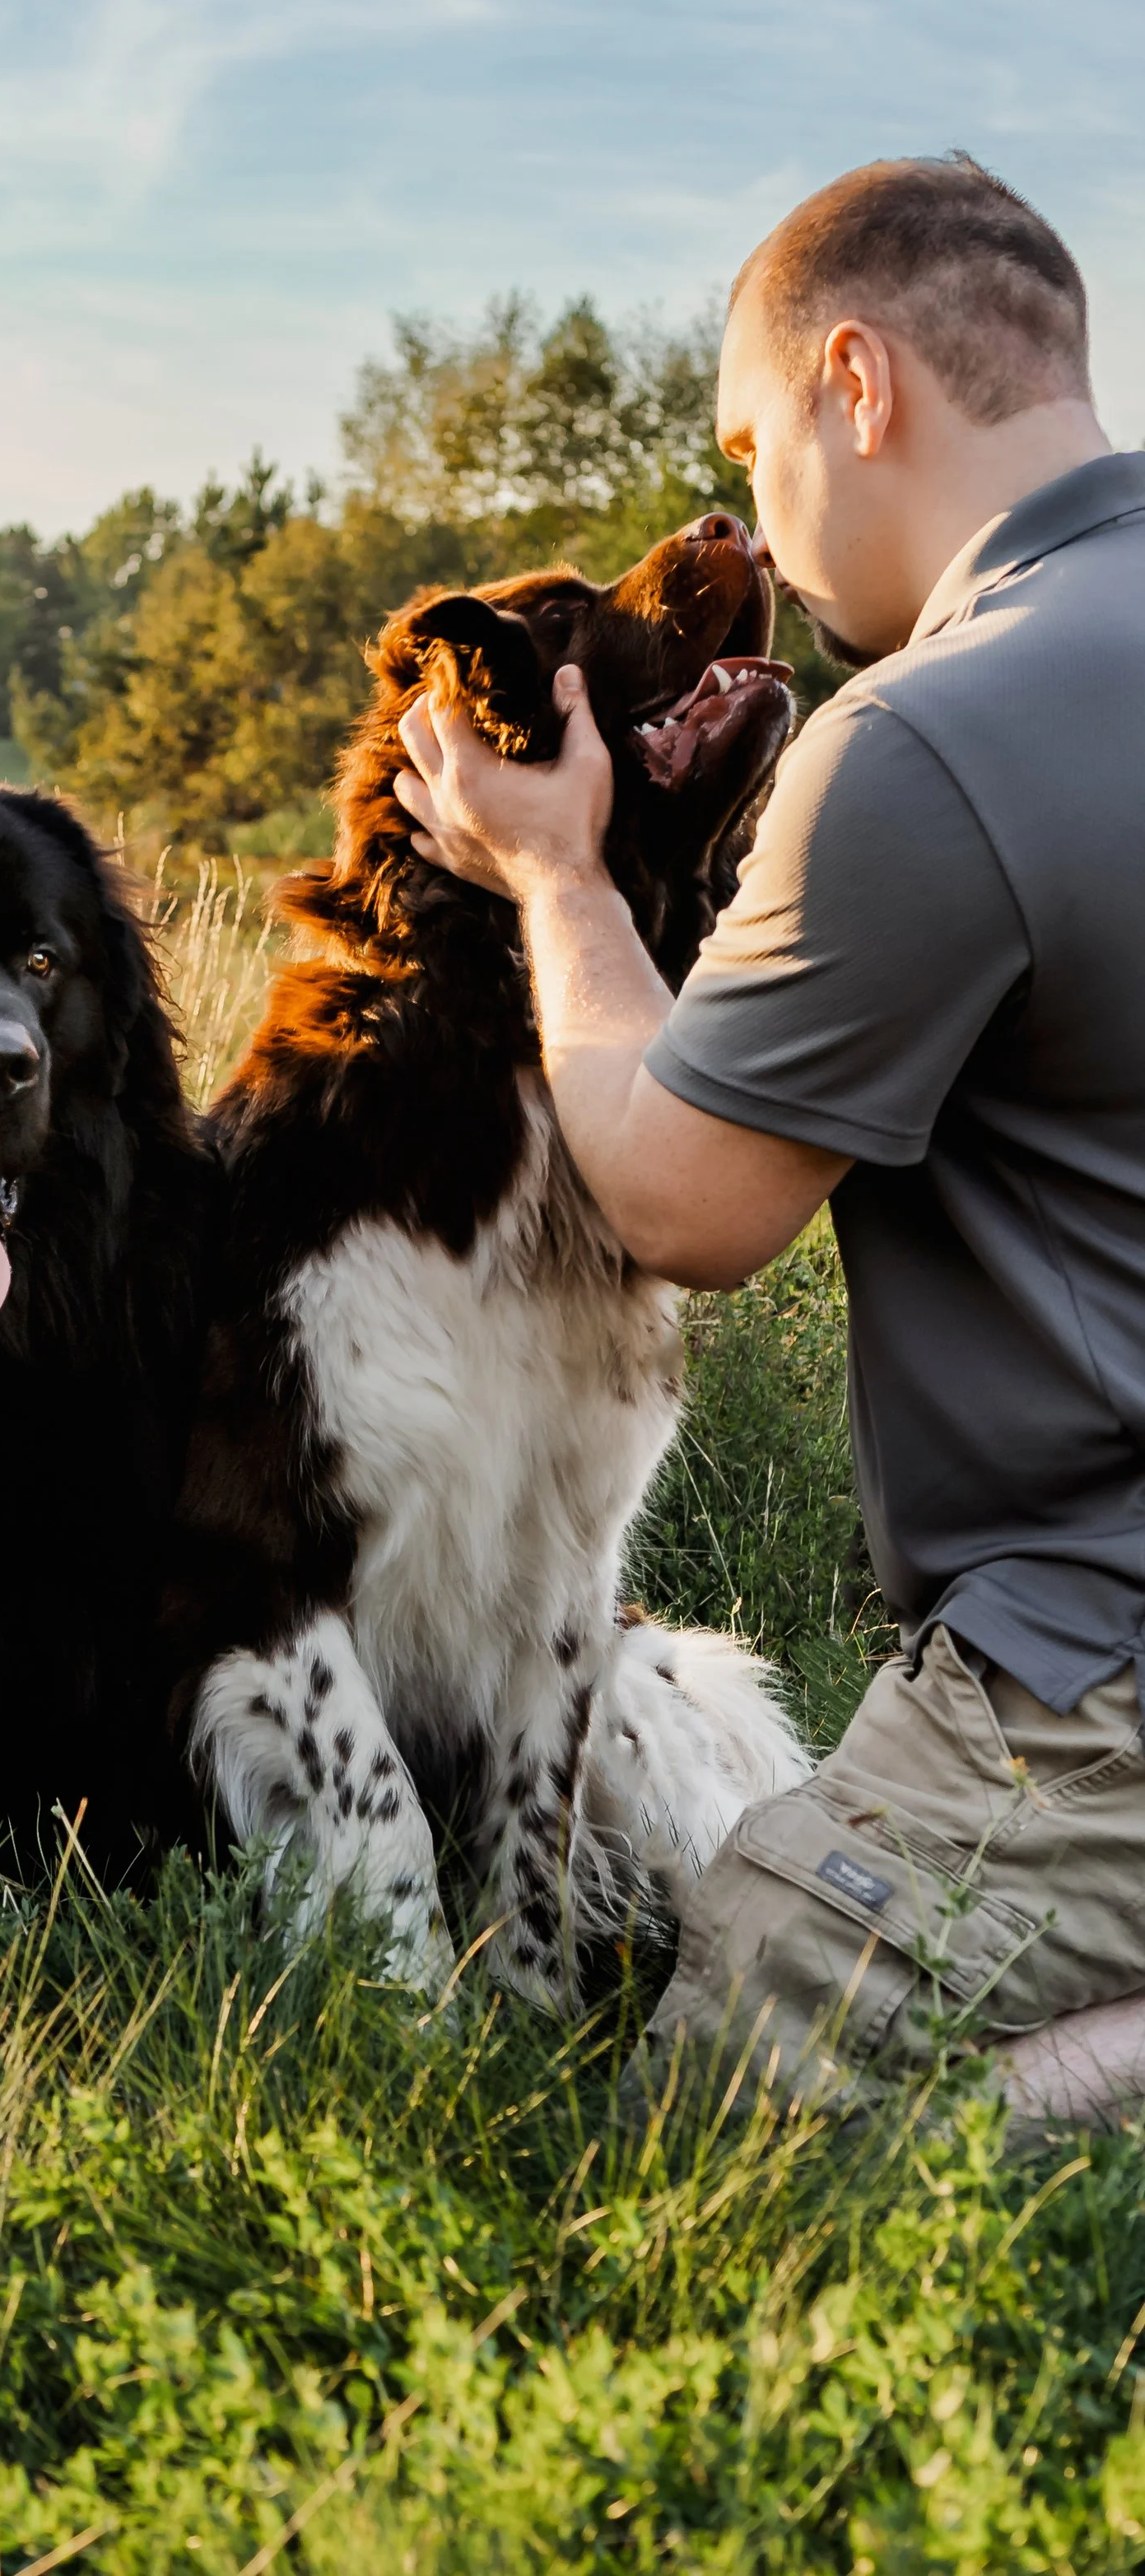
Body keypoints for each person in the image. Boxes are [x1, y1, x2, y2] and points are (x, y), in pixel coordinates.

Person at [394, 153, 1145, 2122]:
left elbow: (680, 1197)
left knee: (729, 2120)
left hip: (1101, 1673)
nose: (752, 509)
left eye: (749, 441)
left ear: (853, 382)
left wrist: (552, 875)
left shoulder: (928, 730)